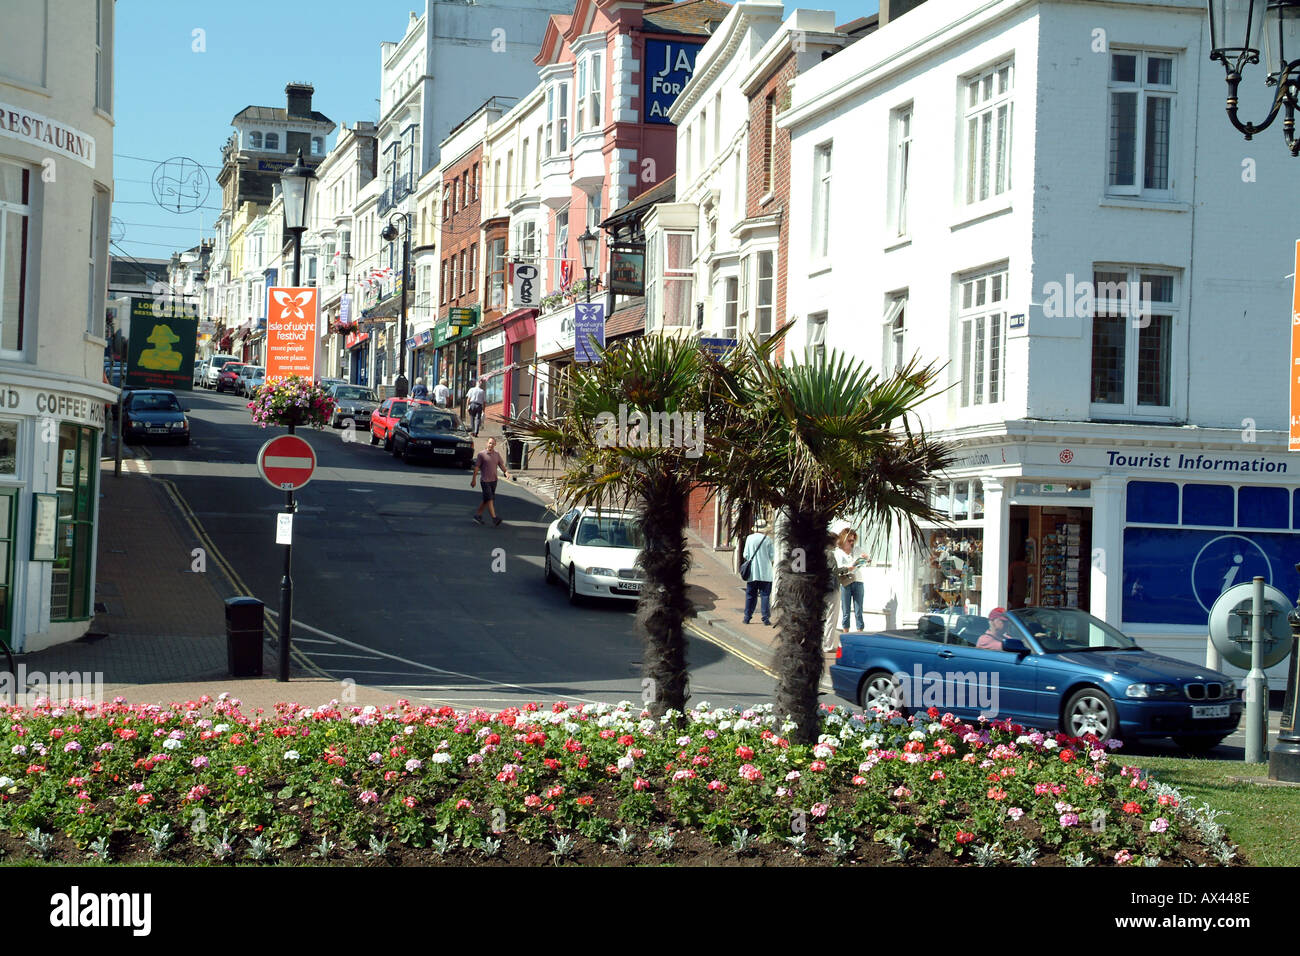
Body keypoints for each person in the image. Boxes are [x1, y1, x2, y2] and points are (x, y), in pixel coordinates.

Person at [834, 528, 870, 633]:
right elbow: (840, 568)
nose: (851, 543)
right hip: (845, 582)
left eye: (853, 540)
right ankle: (846, 633)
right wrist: (850, 567)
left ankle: (860, 632)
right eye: (849, 540)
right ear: (843, 539)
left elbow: (867, 560)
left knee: (859, 609)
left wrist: (866, 559)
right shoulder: (838, 552)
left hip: (858, 580)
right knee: (846, 610)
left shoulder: (857, 549)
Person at [741, 520, 775, 626]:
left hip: (752, 573)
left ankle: (747, 617)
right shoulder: (768, 540)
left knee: (750, 595)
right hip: (766, 573)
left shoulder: (749, 538)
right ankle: (765, 618)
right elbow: (772, 556)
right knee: (765, 596)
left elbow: (745, 555)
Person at [471, 436, 510, 526]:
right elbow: (476, 468)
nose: (491, 445)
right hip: (485, 481)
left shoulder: (497, 454)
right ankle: (494, 518)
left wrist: (506, 472)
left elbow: (501, 464)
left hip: (494, 481)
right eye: (489, 443)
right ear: (486, 443)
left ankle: (477, 515)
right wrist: (474, 480)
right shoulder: (481, 454)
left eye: (493, 443)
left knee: (486, 499)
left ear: (495, 444)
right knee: (490, 498)